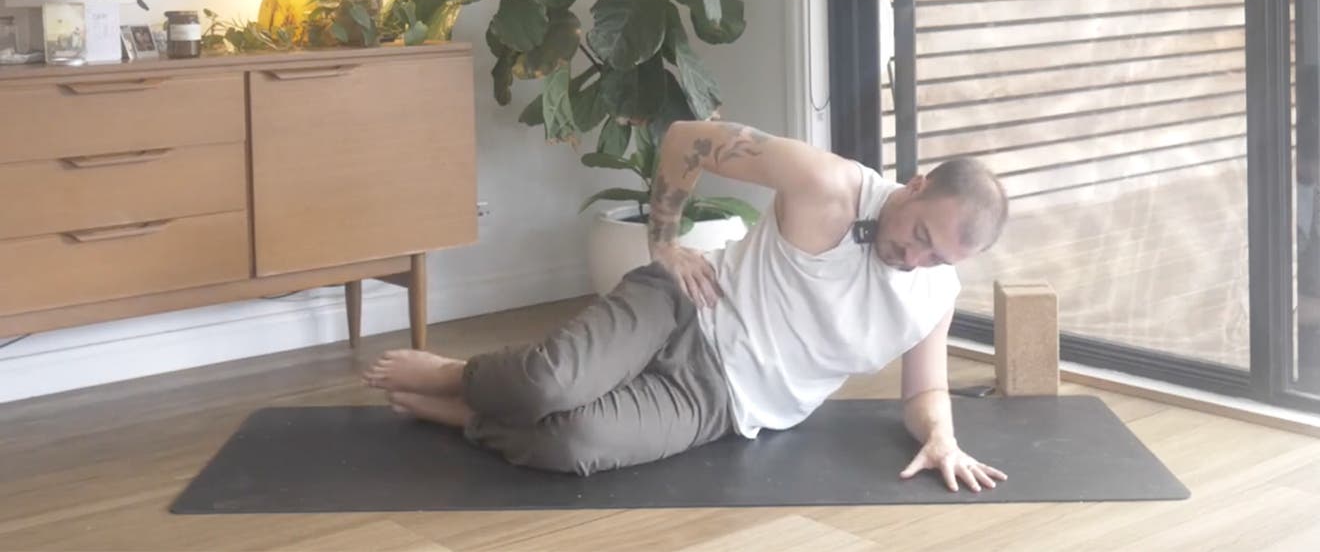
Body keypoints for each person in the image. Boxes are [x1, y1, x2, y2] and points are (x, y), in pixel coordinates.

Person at [364, 121, 1010, 492]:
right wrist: (665, 241)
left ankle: (464, 415)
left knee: (577, 442)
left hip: (723, 400)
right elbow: (687, 138)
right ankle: (456, 376)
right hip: (682, 306)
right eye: (920, 236)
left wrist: (943, 440)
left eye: (938, 259)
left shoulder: (932, 294)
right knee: (548, 381)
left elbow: (924, 391)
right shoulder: (827, 184)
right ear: (916, 184)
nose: (915, 260)